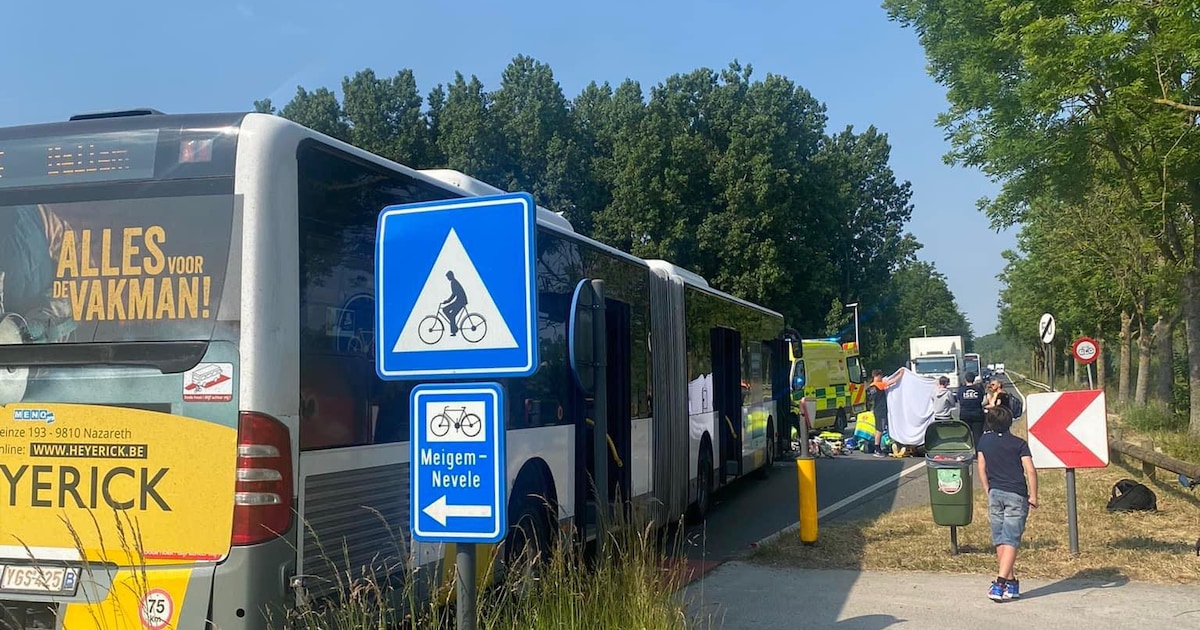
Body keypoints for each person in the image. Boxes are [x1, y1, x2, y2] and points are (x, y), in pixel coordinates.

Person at [976, 404, 1038, 601]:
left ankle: (1010, 583)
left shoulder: (984, 441)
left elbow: (982, 466)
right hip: (1017, 494)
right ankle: (1002, 583)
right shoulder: (1019, 444)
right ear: (1010, 422)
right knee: (1011, 538)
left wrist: (987, 488)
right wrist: (1034, 495)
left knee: (1000, 538)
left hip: (995, 492)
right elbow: (1030, 470)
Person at [867, 368, 902, 457]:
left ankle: (877, 447)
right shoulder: (879, 385)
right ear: (877, 376)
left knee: (878, 429)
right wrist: (901, 374)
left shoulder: (871, 386)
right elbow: (892, 381)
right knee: (880, 430)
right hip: (881, 410)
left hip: (876, 409)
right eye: (881, 376)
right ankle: (877, 449)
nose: (882, 378)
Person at [957, 371, 986, 446]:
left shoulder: (961, 390)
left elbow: (959, 400)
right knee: (977, 435)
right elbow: (983, 400)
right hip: (977, 414)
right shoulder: (979, 389)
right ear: (974, 379)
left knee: (965, 435)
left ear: (965, 379)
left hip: (964, 415)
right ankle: (978, 453)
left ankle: (966, 451)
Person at [440, 270, 468, 336]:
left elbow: (454, 294)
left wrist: (447, 301)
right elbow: (454, 294)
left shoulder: (454, 283)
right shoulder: (453, 282)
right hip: (459, 301)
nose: (447, 278)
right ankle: (454, 326)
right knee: (446, 310)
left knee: (450, 314)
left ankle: (454, 330)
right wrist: (447, 301)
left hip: (461, 301)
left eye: (448, 277)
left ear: (451, 276)